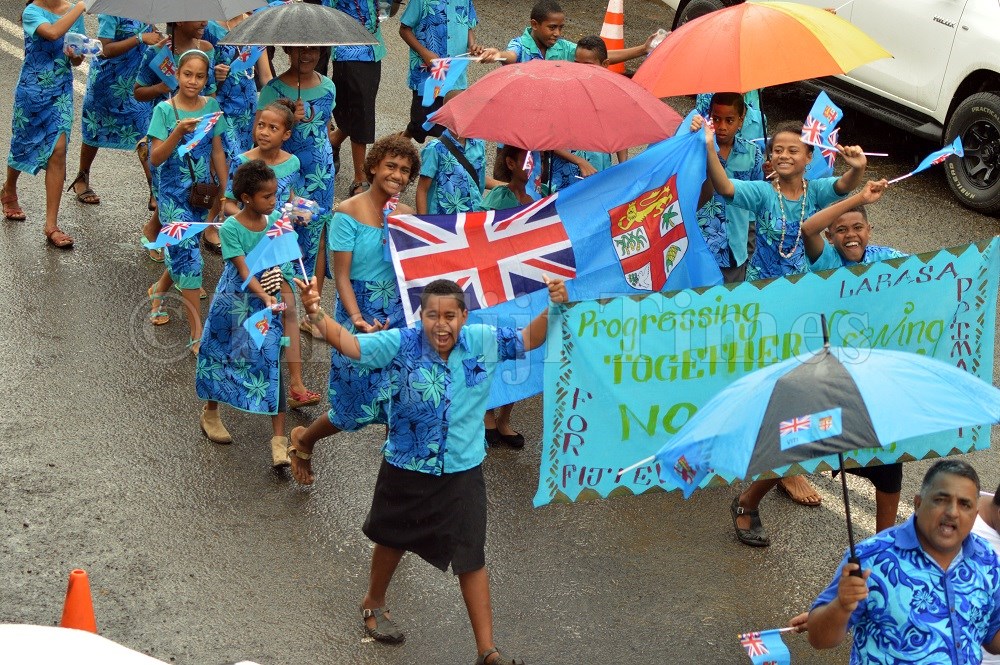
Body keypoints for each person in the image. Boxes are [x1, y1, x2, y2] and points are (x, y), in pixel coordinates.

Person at [290, 275, 568, 665]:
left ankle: (487, 650)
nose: (441, 324)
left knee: (471, 555)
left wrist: (553, 307)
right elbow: (351, 344)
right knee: (391, 538)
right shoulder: (401, 343)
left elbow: (527, 339)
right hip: (407, 463)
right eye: (432, 315)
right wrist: (316, 313)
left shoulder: (483, 341)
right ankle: (374, 602)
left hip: (463, 469)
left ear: (464, 316)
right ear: (421, 316)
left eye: (450, 315)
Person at [698, 117, 868, 545]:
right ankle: (754, 463)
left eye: (794, 150)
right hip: (763, 308)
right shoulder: (762, 192)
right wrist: (707, 148)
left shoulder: (820, 191)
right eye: (777, 150)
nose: (784, 156)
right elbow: (726, 189)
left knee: (797, 391)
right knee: (770, 388)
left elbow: (847, 186)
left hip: (806, 309)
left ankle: (779, 472)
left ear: (809, 158)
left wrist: (857, 168)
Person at [288, 136, 420, 481]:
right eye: (391, 166)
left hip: (398, 315)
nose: (398, 175)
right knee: (353, 404)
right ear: (373, 166)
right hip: (356, 310)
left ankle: (397, 481)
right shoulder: (346, 213)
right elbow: (342, 277)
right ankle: (304, 439)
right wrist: (357, 319)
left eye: (405, 170)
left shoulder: (408, 216)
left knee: (400, 397)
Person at [807, 459, 1000, 663]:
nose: (952, 512)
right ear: (917, 504)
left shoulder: (986, 558)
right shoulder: (870, 558)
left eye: (964, 504)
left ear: (974, 515)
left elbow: (992, 637)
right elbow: (819, 639)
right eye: (941, 499)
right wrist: (841, 606)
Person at [196, 160, 295, 468]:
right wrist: (264, 293)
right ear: (247, 197)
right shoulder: (230, 227)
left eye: (276, 195)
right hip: (235, 302)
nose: (274, 201)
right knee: (223, 353)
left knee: (270, 360)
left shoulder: (277, 219)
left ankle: (279, 440)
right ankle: (211, 411)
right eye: (267, 196)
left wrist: (285, 285)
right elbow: (242, 268)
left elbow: (286, 258)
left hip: (268, 300)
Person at [221, 99, 319, 410]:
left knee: (288, 310)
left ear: (286, 135)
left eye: (272, 128)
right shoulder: (241, 160)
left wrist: (301, 211)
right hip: (251, 250)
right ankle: (235, 374)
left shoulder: (292, 164)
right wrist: (253, 220)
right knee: (247, 312)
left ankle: (296, 383)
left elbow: (290, 199)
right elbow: (227, 203)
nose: (264, 132)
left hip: (281, 246)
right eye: (260, 125)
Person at [147, 49, 229, 352]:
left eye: (199, 76)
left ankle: (158, 291)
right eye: (187, 74)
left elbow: (218, 151)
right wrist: (177, 132)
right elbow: (155, 158)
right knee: (191, 260)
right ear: (177, 75)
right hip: (171, 197)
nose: (192, 81)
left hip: (200, 194)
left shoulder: (212, 106)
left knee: (185, 251)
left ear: (206, 79)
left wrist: (224, 192)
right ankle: (197, 334)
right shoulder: (164, 111)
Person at [258, 46, 336, 334]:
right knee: (283, 235)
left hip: (321, 176)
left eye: (313, 49)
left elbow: (325, 129)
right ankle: (280, 307)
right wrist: (291, 117)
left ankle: (312, 313)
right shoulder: (272, 90)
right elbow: (261, 133)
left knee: (315, 236)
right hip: (287, 176)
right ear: (288, 50)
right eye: (300, 49)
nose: (306, 54)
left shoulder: (329, 86)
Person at [3, 0, 87, 249]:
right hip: (32, 90)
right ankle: (9, 188)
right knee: (22, 145)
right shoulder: (31, 12)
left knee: (58, 150)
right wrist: (79, 9)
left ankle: (51, 224)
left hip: (60, 91)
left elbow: (78, 59)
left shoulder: (73, 10)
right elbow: (52, 33)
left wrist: (77, 55)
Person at [134, 21, 216, 260]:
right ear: (179, 19)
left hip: (197, 131)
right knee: (172, 187)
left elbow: (210, 91)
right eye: (197, 15)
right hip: (165, 129)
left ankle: (158, 234)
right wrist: (161, 87)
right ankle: (179, 257)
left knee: (188, 186)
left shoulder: (207, 48)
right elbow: (138, 92)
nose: (204, 22)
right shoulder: (159, 51)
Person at [70, 15, 160, 207]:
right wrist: (140, 38)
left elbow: (149, 35)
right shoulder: (112, 10)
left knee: (143, 131)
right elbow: (104, 49)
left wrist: (156, 36)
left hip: (134, 82)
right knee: (94, 130)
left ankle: (155, 191)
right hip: (107, 83)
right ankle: (81, 177)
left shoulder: (144, 8)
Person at [689, 92, 764, 283]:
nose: (722, 127)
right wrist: (691, 131)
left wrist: (750, 245)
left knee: (731, 305)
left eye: (729, 120)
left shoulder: (752, 154)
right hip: (700, 245)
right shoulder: (697, 148)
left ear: (741, 120)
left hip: (736, 250)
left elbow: (756, 205)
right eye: (716, 119)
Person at [544, 36, 628, 193]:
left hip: (598, 171)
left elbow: (619, 132)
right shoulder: (562, 94)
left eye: (588, 65)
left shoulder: (612, 96)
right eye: (577, 64)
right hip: (564, 177)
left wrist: (624, 166)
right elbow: (547, 139)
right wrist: (579, 161)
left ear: (605, 65)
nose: (580, 70)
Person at [398, 0, 483, 143]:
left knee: (449, 126)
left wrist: (473, 45)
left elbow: (468, 27)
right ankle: (398, 145)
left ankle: (441, 160)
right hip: (428, 75)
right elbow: (404, 29)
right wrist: (424, 53)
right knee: (420, 123)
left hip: (455, 76)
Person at [324, 0, 385, 196]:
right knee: (360, 111)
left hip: (374, 50)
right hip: (348, 51)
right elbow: (326, 13)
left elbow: (387, 10)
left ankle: (334, 139)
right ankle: (360, 177)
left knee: (364, 108)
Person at [487, 0, 655, 66]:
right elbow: (511, 55)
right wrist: (497, 54)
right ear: (534, 24)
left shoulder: (563, 47)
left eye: (561, 28)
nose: (557, 33)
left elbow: (599, 55)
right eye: (552, 27)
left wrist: (642, 49)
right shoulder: (520, 45)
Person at [416, 121, 486, 215]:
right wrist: (422, 223)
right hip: (443, 219)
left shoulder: (479, 145)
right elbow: (422, 189)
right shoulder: (434, 148)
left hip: (474, 214)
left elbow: (479, 180)